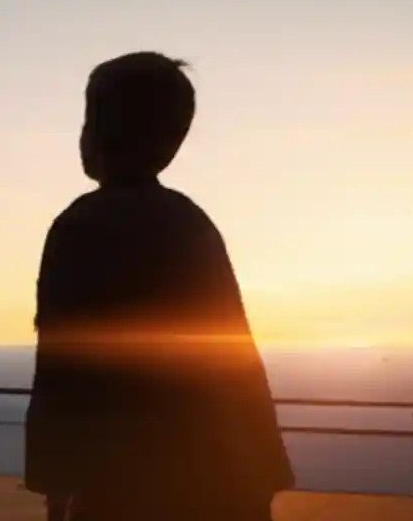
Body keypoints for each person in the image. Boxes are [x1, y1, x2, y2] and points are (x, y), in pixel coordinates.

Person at [25, 52, 293, 520]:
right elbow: (237, 357)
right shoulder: (193, 223)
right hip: (222, 478)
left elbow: (63, 368)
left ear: (100, 134)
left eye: (90, 120)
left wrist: (56, 481)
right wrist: (261, 474)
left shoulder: (78, 227)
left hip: (123, 485)